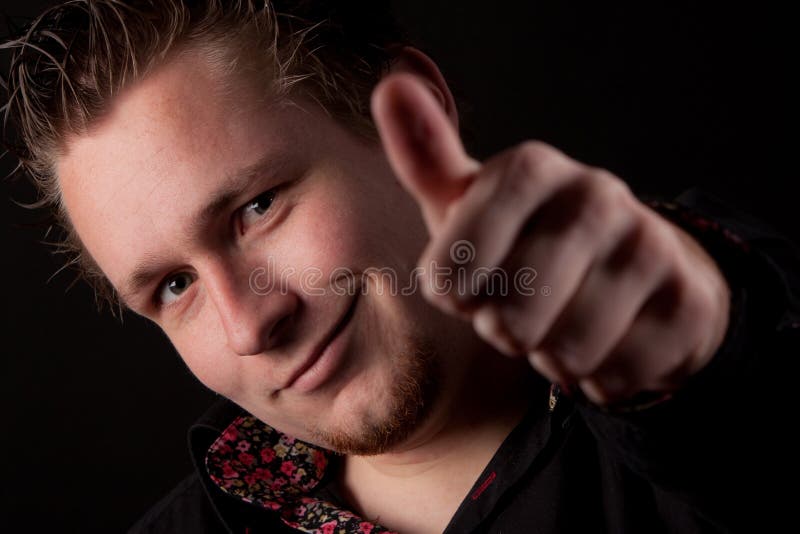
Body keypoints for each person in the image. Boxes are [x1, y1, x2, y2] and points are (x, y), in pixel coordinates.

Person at [1, 1, 795, 532]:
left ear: (409, 114)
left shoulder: (718, 364)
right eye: (174, 287)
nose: (250, 324)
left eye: (257, 208)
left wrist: (700, 366)